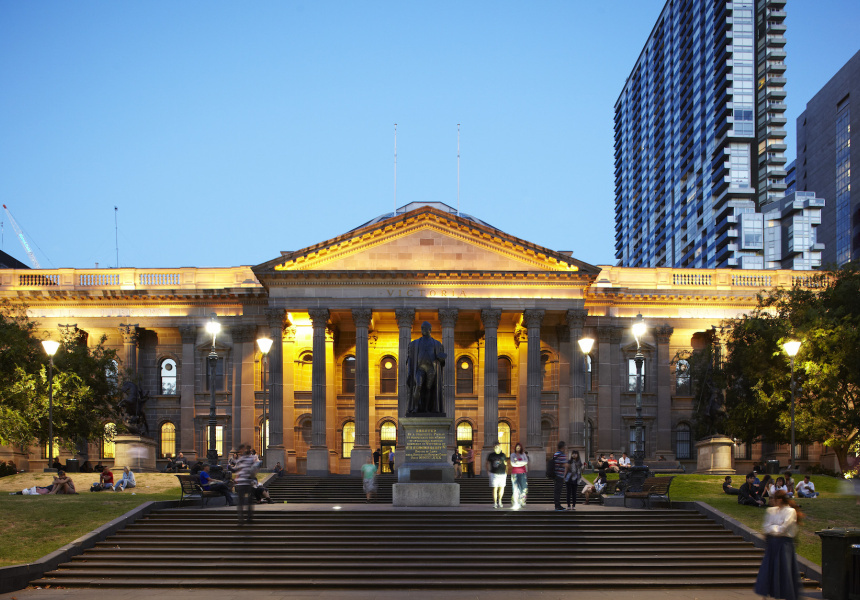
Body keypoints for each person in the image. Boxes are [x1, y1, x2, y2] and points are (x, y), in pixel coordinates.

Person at [753, 490, 803, 600]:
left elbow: (784, 528)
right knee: (768, 570)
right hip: (772, 543)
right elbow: (766, 527)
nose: (771, 501)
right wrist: (776, 527)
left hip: (784, 544)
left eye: (773, 499)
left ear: (779, 500)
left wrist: (773, 528)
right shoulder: (771, 511)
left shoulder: (790, 511)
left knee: (784, 570)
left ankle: (784, 594)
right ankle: (766, 593)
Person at [234, 444, 257, 524]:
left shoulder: (247, 459)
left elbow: (253, 469)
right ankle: (243, 519)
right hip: (244, 482)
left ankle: (246, 518)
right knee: (243, 501)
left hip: (246, 482)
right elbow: (238, 469)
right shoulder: (243, 459)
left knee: (246, 501)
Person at [486, 443, 508, 508]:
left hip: (502, 473)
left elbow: (506, 464)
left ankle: (500, 501)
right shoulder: (491, 455)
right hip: (494, 473)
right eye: (495, 447)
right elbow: (487, 463)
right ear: (493, 448)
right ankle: (495, 502)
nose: (496, 448)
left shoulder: (503, 455)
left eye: (498, 447)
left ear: (500, 448)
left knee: (501, 487)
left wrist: (506, 472)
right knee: (495, 488)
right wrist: (488, 471)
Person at [509, 442, 528, 508]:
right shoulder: (512, 455)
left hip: (522, 473)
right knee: (515, 488)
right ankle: (515, 501)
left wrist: (517, 462)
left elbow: (526, 462)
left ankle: (522, 501)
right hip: (515, 473)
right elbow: (513, 464)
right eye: (517, 447)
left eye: (519, 447)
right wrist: (521, 463)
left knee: (524, 488)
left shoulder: (523, 454)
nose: (518, 448)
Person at [552, 441, 567, 511]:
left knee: (556, 491)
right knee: (558, 491)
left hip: (556, 474)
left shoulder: (555, 454)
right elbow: (564, 464)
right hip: (560, 475)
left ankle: (557, 505)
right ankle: (557, 506)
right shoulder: (562, 455)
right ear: (563, 447)